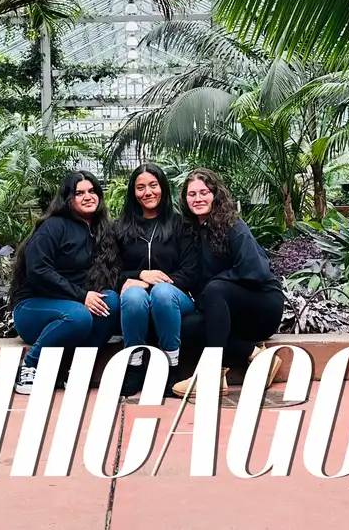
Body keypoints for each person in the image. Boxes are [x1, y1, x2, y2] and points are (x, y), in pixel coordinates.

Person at [171, 168, 285, 398]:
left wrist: (215, 287)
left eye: (204, 192)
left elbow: (256, 271)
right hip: (227, 315)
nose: (198, 198)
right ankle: (257, 356)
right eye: (192, 194)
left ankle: (212, 374)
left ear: (215, 194)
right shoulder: (191, 232)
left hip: (261, 306)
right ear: (185, 200)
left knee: (215, 289)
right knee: (186, 328)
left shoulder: (233, 225)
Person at [10, 170, 120, 394]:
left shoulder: (102, 230)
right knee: (78, 316)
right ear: (68, 198)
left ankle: (78, 369)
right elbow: (38, 270)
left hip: (74, 310)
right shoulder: (53, 227)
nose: (88, 197)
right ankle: (29, 366)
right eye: (79, 193)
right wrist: (82, 296)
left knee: (111, 301)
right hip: (34, 310)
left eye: (92, 191)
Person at [115, 163, 198, 397]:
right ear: (133, 192)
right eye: (140, 187)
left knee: (161, 293)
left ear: (163, 188)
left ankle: (171, 367)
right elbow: (111, 272)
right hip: (135, 300)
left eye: (153, 185)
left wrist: (152, 282)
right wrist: (139, 275)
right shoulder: (120, 228)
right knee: (133, 295)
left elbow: (190, 273)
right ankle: (134, 367)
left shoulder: (181, 225)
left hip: (175, 298)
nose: (148, 192)